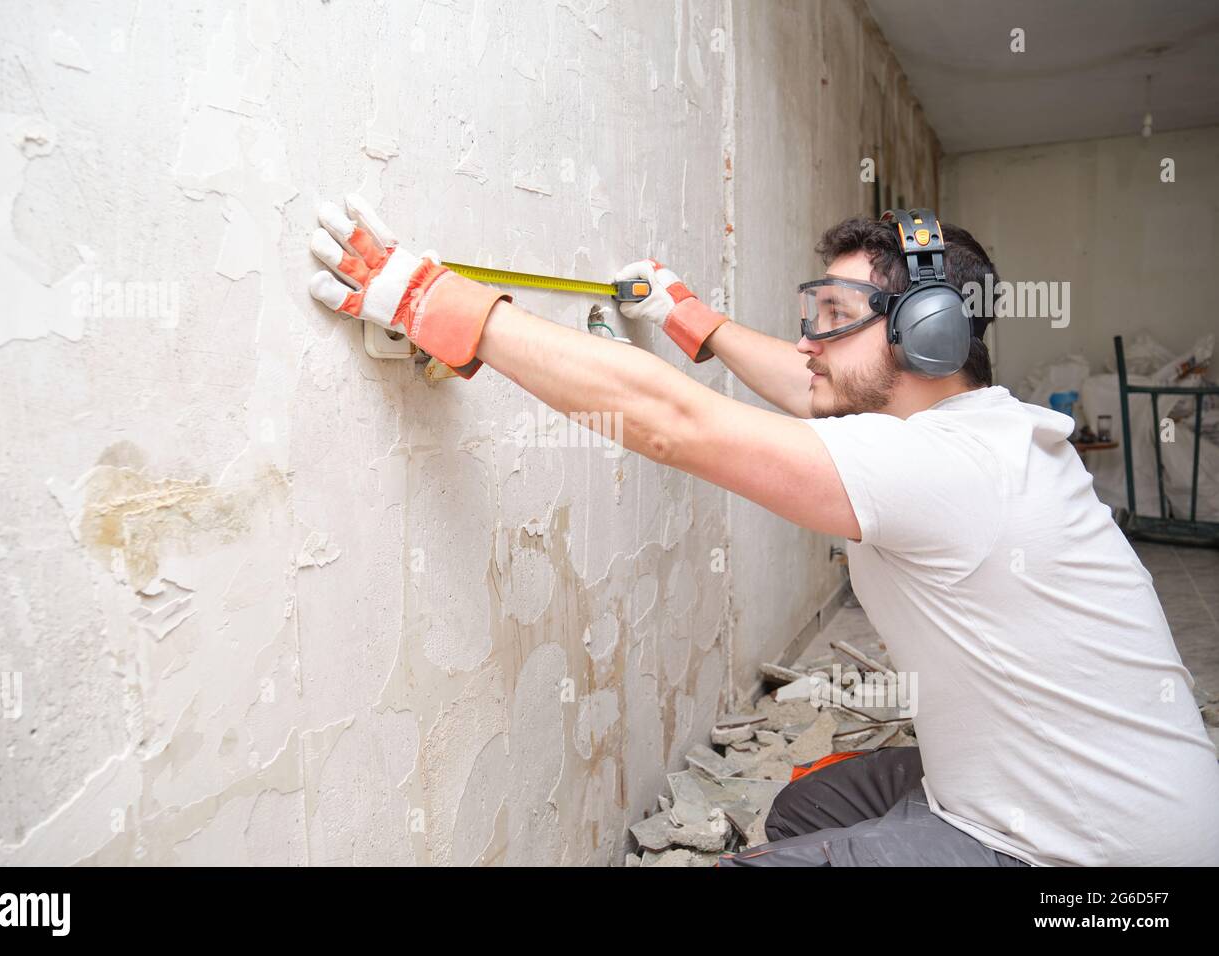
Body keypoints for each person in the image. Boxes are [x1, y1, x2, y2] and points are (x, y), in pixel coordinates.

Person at [307, 194, 1219, 866]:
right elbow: (807, 384)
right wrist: (689, 320)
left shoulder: (947, 467)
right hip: (1110, 805)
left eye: (830, 321)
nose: (807, 345)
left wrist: (440, 303)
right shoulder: (970, 424)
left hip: (1101, 868)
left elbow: (676, 425)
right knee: (801, 811)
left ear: (928, 334)